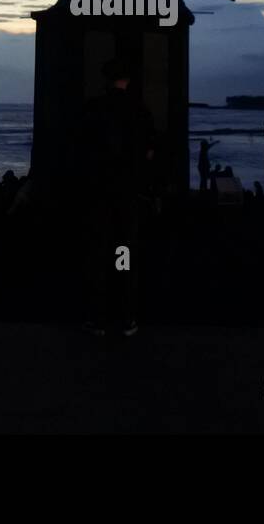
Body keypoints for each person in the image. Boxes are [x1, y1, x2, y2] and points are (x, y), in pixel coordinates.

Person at [80, 57, 154, 336]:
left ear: (105, 79)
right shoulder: (140, 111)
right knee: (125, 252)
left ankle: (97, 317)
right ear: (129, 80)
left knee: (97, 252)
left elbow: (82, 150)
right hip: (128, 192)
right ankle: (126, 317)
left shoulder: (92, 109)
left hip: (98, 192)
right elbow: (149, 153)